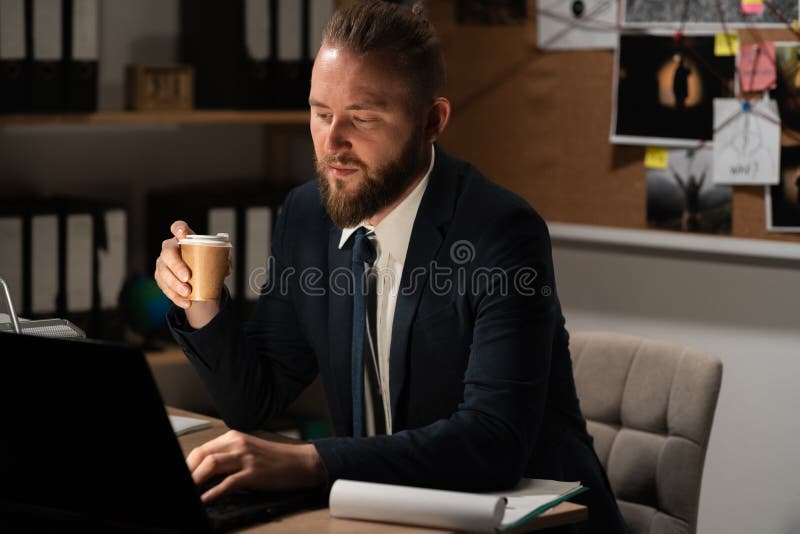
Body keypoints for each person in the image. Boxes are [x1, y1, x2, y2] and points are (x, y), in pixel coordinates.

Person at [154, 2, 627, 532]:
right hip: (387, 511)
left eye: (362, 118)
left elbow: (493, 441)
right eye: (321, 113)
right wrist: (198, 295)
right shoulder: (307, 215)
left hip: (532, 519)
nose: (332, 143)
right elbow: (253, 399)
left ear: (432, 122)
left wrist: (311, 461)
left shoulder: (501, 232)